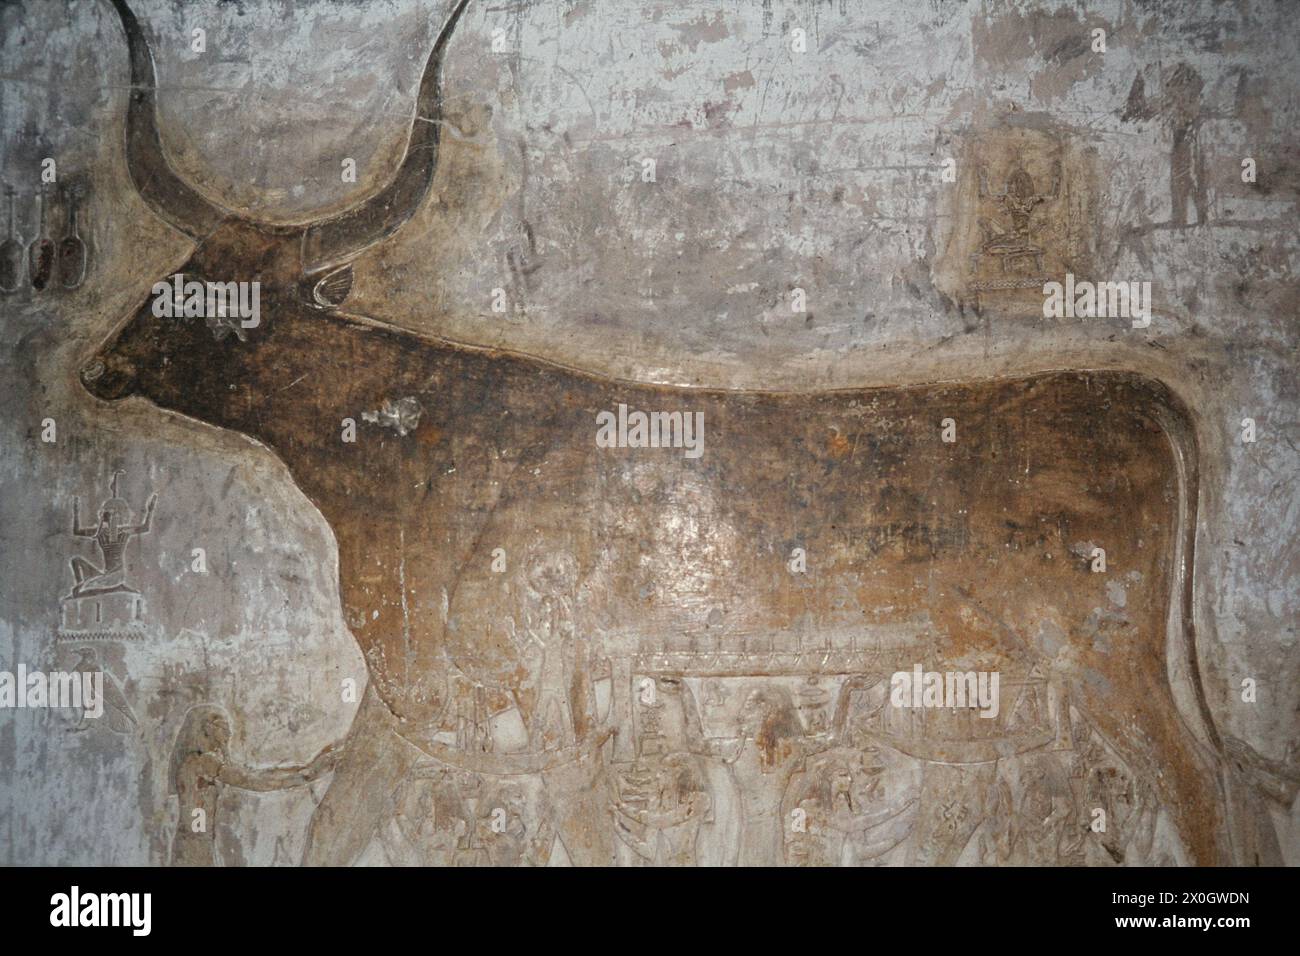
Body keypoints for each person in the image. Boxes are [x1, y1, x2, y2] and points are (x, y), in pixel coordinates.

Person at [168, 704, 338, 866]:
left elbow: (253, 775)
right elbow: (252, 780)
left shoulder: (201, 760)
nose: (229, 731)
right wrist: (308, 773)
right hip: (195, 843)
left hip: (197, 840)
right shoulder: (203, 761)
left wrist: (305, 770)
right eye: (222, 725)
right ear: (207, 728)